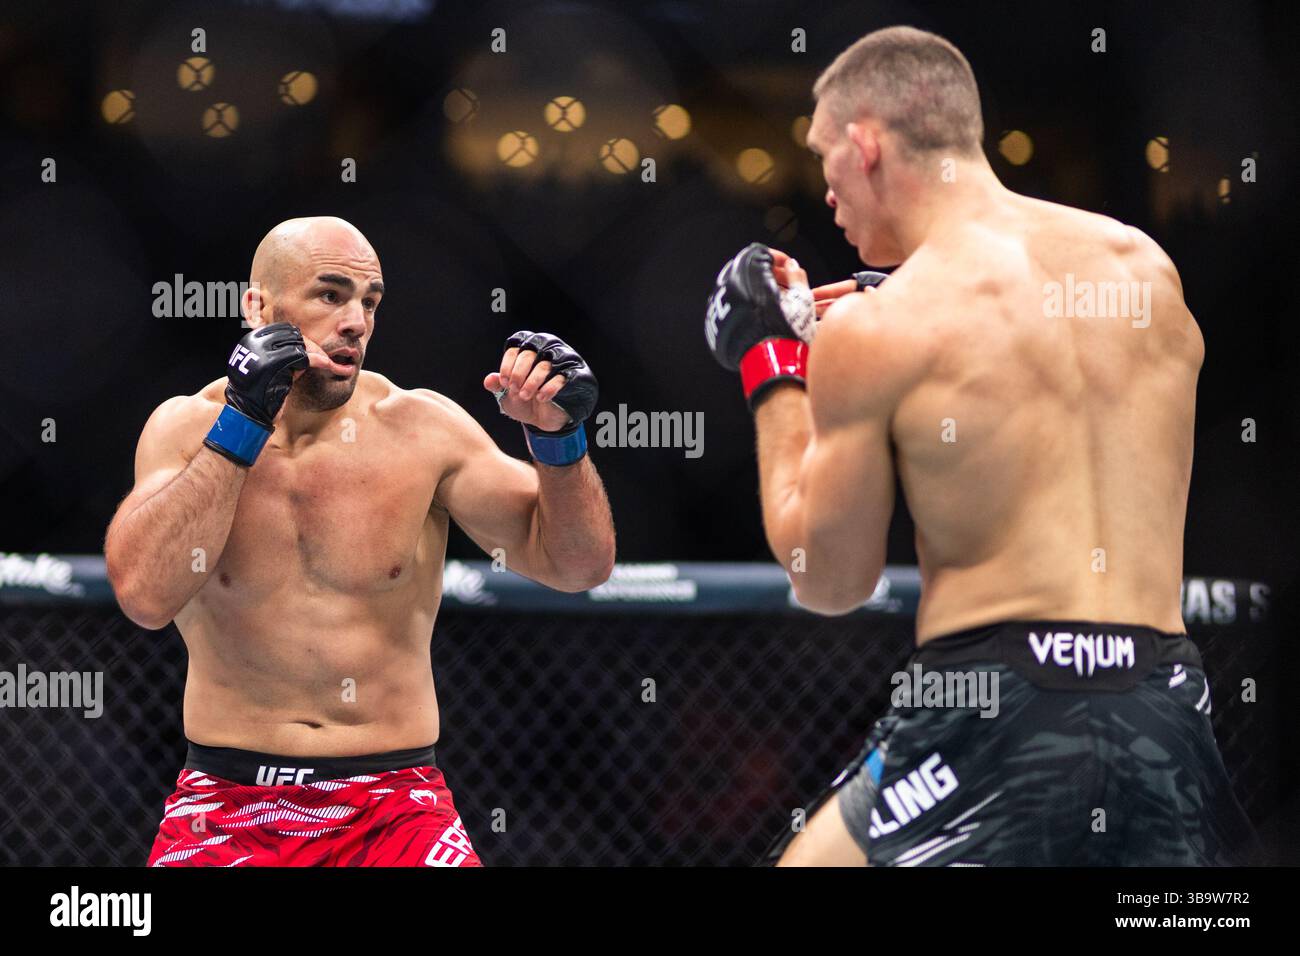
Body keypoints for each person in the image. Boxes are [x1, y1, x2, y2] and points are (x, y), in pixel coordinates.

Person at [704, 26, 1257, 866]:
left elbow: (830, 580)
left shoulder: (887, 327)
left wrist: (770, 364)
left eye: (826, 165)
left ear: (866, 144)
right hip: (1163, 698)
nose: (827, 197)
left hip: (997, 696)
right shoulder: (1142, 266)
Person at [105, 216, 615, 866]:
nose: (356, 322)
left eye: (369, 302)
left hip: (396, 808)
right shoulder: (184, 430)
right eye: (331, 294)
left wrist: (560, 443)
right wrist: (243, 423)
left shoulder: (420, 430)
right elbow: (145, 596)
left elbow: (578, 566)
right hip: (227, 807)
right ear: (257, 306)